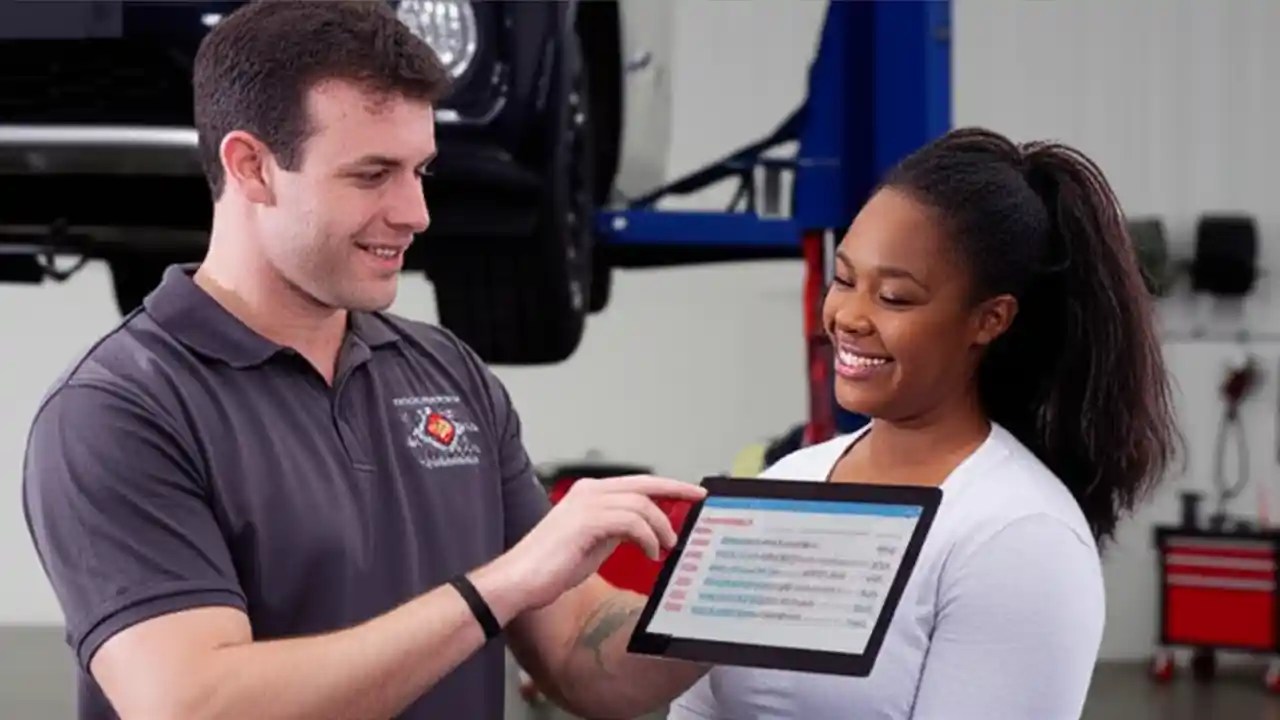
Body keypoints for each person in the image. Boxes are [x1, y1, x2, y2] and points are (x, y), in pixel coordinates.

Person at [20, 2, 710, 719]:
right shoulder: (118, 409)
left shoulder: (449, 376)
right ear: (251, 166)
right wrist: (498, 588)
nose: (416, 212)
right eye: (373, 174)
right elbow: (196, 705)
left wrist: (735, 609)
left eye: (421, 171)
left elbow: (579, 653)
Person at [668, 127, 1181, 719]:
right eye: (844, 279)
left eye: (894, 298)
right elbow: (697, 707)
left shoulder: (1019, 535)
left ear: (989, 319)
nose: (849, 317)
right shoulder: (789, 481)